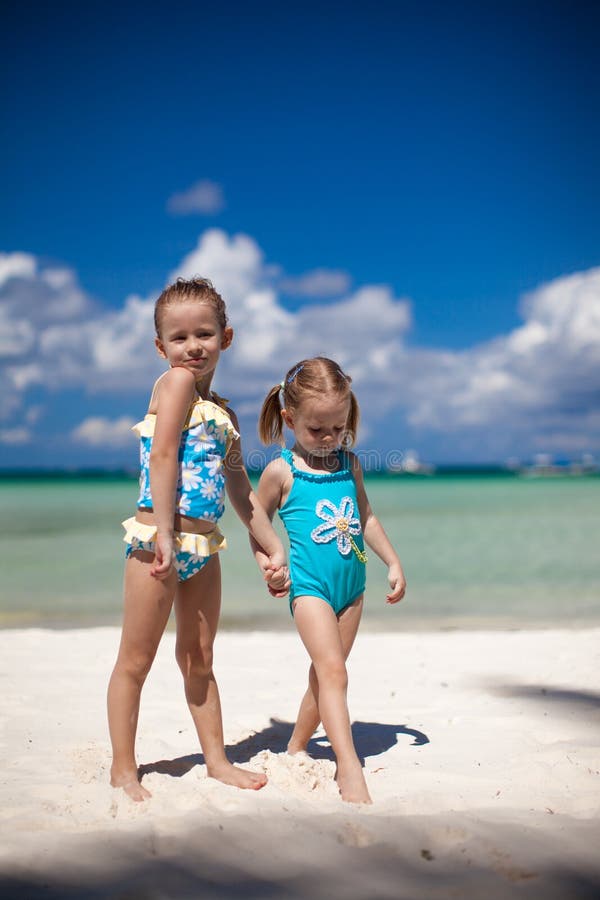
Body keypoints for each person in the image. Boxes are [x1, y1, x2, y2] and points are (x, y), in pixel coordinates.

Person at [107, 277, 288, 802]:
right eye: (179, 338)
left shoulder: (225, 416)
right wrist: (163, 531)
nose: (192, 347)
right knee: (135, 660)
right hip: (155, 543)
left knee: (200, 657)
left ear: (225, 338)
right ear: (160, 347)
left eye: (204, 334)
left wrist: (271, 549)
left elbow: (241, 492)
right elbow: (163, 455)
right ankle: (123, 768)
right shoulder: (175, 385)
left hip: (203, 549)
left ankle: (216, 761)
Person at [252, 357, 406, 804]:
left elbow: (367, 517)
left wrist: (392, 562)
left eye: (337, 429)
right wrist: (269, 563)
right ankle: (348, 765)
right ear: (289, 419)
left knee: (325, 677)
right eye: (316, 430)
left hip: (351, 589)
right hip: (310, 589)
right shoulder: (282, 472)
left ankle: (297, 745)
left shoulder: (350, 464)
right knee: (335, 671)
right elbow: (255, 521)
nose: (327, 439)